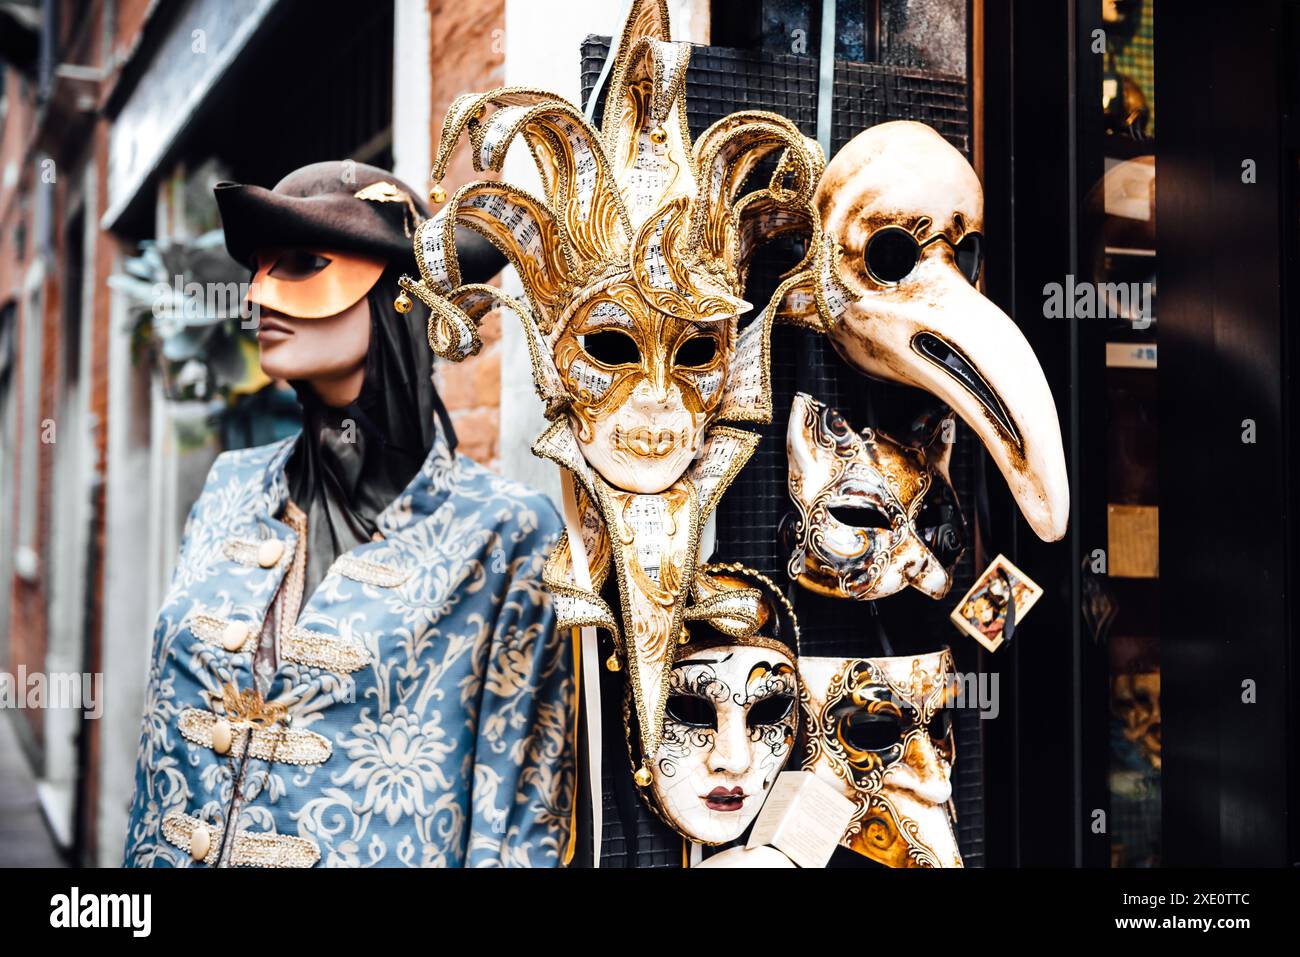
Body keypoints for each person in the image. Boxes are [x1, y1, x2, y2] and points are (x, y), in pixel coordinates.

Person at [122, 161, 575, 868]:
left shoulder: (507, 534)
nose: (257, 294)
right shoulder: (229, 485)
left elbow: (518, 823)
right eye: (259, 266)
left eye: (303, 263)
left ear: (400, 295)